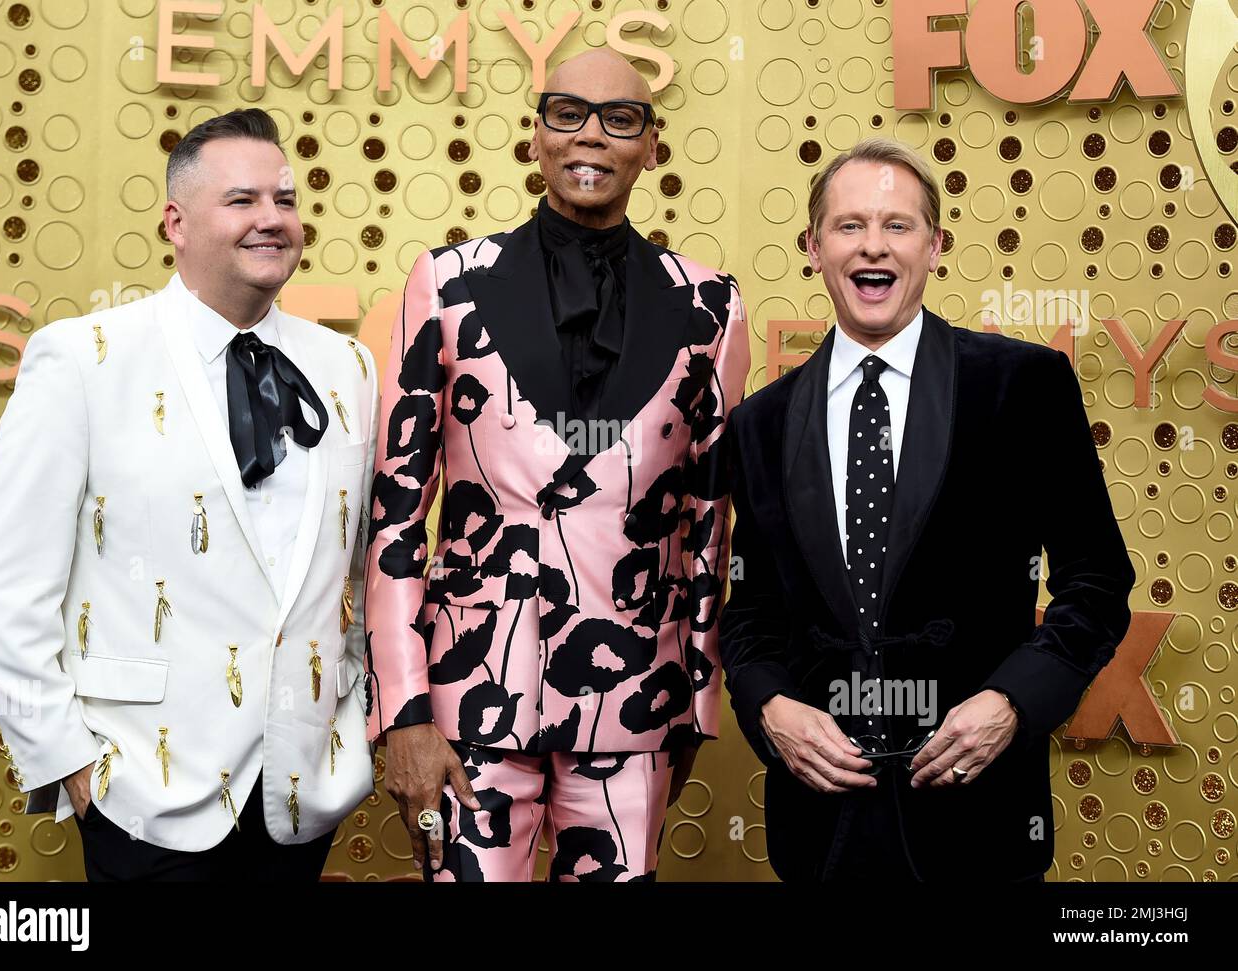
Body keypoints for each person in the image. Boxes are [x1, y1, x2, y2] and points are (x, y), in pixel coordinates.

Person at [363, 49, 749, 881]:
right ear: (535, 135)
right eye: (568, 113)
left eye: (620, 118)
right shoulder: (447, 283)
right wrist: (403, 709)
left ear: (652, 145)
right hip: (467, 697)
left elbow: (709, 522)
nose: (591, 136)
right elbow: (395, 514)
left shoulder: (709, 304)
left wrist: (694, 699)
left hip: (636, 699)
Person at [0, 108, 377, 881]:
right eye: (242, 199)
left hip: (303, 793)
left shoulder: (348, 366)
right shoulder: (83, 358)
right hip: (142, 793)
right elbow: (6, 582)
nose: (272, 218)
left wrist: (347, 718)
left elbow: (354, 572)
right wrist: (69, 764)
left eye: (285, 199)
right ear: (176, 223)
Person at [718, 137, 1133, 882]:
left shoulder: (1024, 386)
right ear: (812, 247)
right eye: (849, 225)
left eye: (897, 225)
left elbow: (1098, 582)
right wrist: (771, 706)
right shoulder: (760, 422)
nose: (872, 245)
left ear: (935, 246)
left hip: (980, 820)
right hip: (821, 832)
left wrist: (1012, 703)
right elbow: (751, 614)